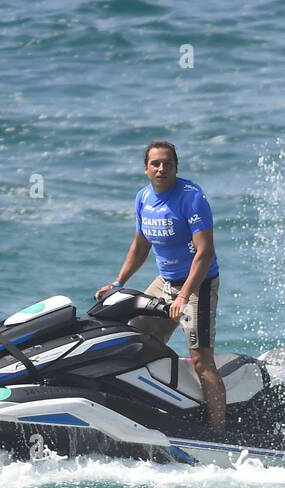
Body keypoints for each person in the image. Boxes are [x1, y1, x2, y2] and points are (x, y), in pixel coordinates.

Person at [95, 140, 226, 433]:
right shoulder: (143, 198)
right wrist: (118, 283)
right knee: (137, 339)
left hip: (198, 284)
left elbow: (204, 254)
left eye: (167, 163)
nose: (161, 168)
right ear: (146, 168)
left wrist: (184, 295)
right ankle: (157, 407)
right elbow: (141, 246)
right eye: (155, 163)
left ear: (176, 167)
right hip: (165, 283)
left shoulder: (192, 198)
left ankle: (219, 433)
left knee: (201, 361)